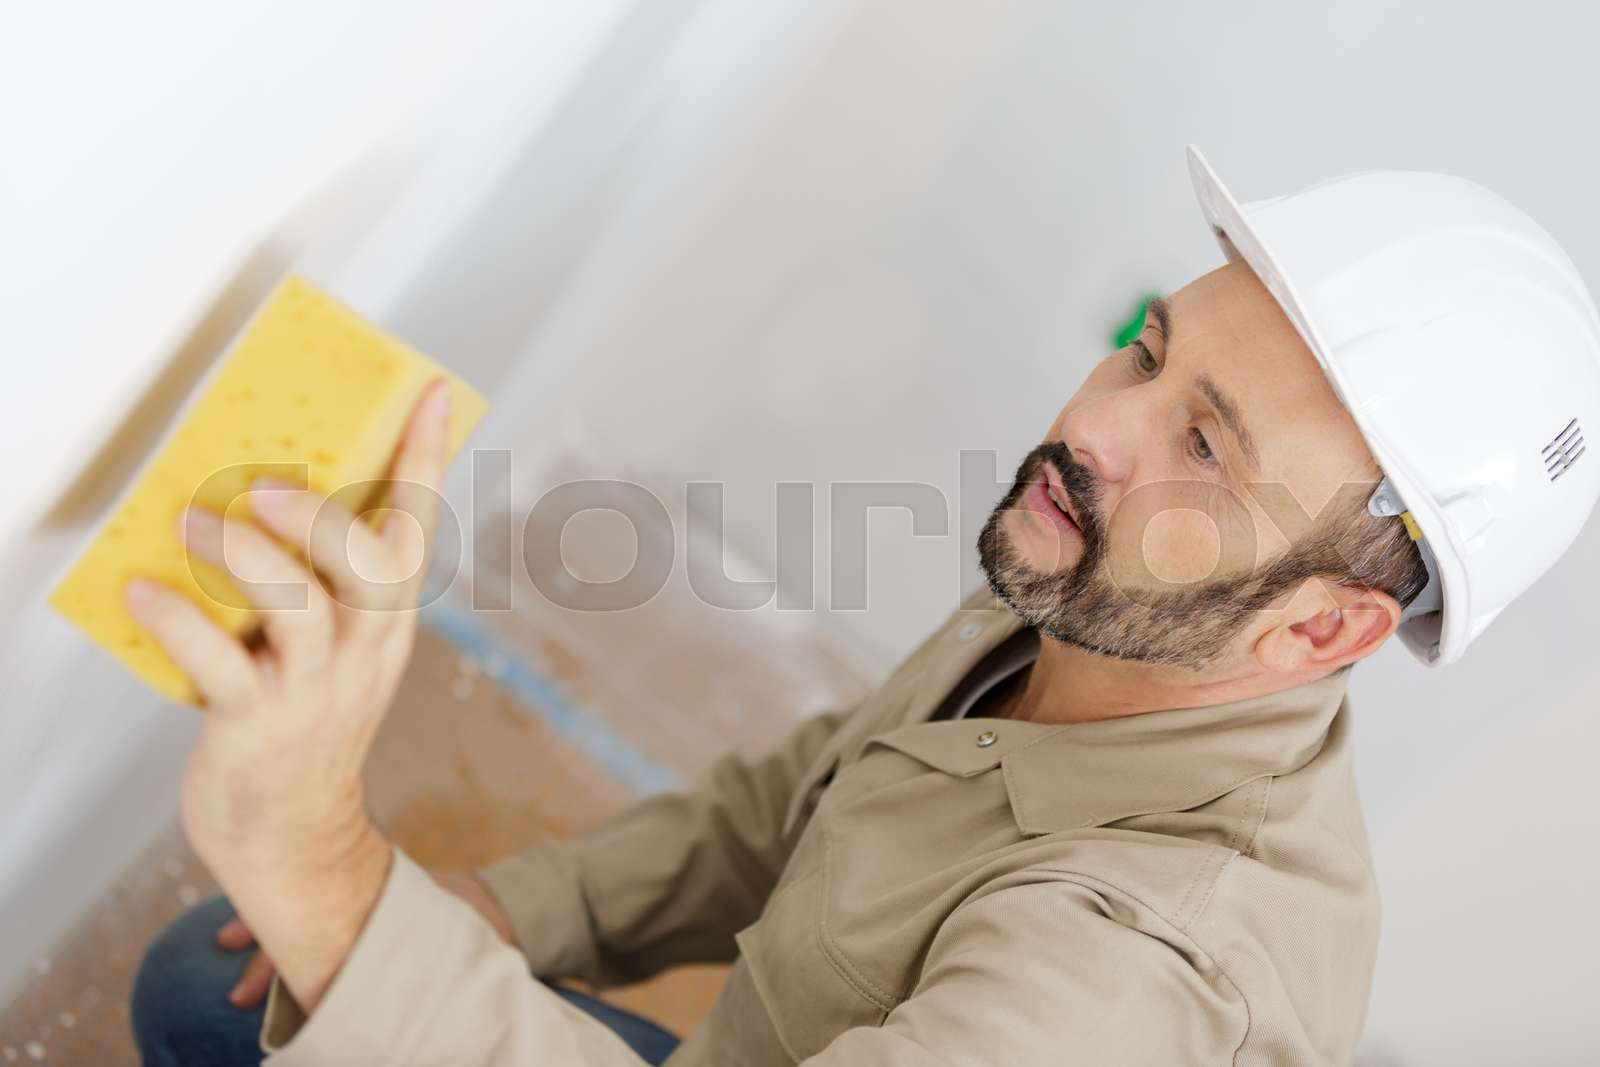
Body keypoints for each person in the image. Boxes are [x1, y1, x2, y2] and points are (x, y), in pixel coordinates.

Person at [128, 146, 1600, 1065]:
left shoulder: (1132, 978)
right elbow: (809, 794)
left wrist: (322, 865)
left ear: (1322, 631)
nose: (1098, 428)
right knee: (234, 985)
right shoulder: (1097, 605)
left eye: (1205, 447)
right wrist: (508, 909)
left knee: (312, 952)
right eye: (1146, 352)